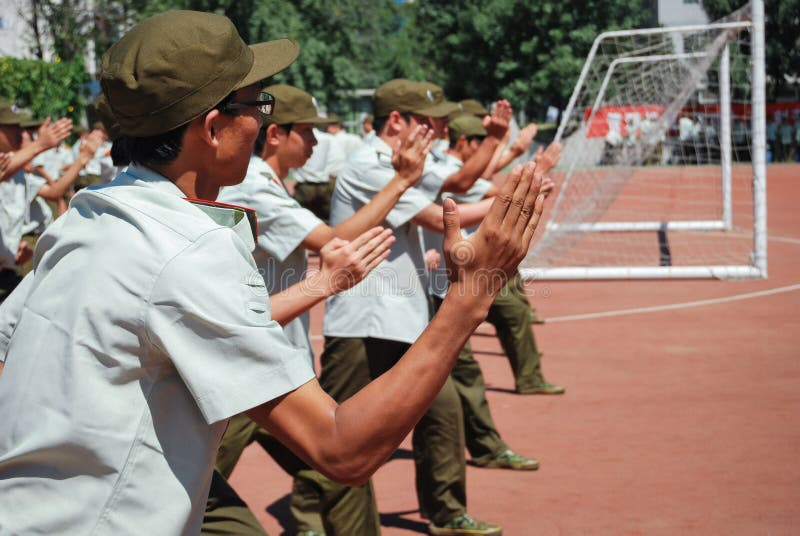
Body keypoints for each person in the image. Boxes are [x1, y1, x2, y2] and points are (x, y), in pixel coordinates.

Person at [0, 11, 550, 535]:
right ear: (213, 128)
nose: (266, 123)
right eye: (257, 106)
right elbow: (342, 449)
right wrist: (471, 296)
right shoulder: (188, 245)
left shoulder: (90, 214)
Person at [210, 83, 432, 536]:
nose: (314, 143)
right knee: (189, 483)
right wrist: (402, 181)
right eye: (307, 133)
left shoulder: (268, 182)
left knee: (340, 466)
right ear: (275, 135)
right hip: (246, 369)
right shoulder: (254, 182)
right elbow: (338, 237)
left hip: (273, 360)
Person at [301, 79, 518, 536]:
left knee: (442, 414)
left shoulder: (409, 163)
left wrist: (498, 153)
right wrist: (510, 197)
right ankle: (315, 520)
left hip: (405, 313)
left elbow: (455, 186)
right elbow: (441, 216)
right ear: (396, 120)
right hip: (362, 319)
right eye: (428, 121)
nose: (438, 129)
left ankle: (446, 512)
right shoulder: (369, 164)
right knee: (335, 431)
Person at [0, 101, 102, 301]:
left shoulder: (19, 172)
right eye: (12, 127)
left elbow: (55, 190)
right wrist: (41, 145)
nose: (21, 133)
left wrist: (84, 158)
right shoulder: (15, 166)